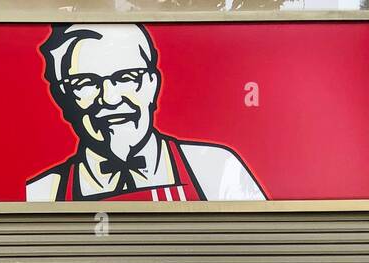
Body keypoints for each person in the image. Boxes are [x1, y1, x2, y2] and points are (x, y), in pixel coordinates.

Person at [25, 23, 265, 203]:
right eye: (86, 83)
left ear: (153, 85)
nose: (110, 98)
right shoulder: (43, 192)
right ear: (62, 98)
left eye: (127, 78)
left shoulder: (215, 168)